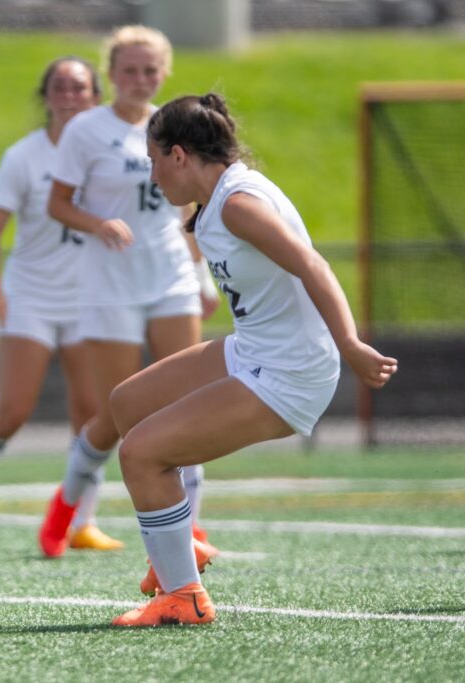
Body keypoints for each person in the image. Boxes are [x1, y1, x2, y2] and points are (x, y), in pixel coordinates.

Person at [105, 92, 397, 626]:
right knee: (128, 405)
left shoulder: (238, 204)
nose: (152, 176)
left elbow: (312, 265)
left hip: (290, 372)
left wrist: (351, 343)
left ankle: (184, 597)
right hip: (256, 350)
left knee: (141, 453)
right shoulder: (215, 200)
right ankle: (181, 545)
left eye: (152, 161)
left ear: (178, 155)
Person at [0, 56, 125, 552]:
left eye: (80, 87)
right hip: (31, 296)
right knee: (13, 409)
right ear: (47, 96)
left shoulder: (114, 151)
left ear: (97, 96)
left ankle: (81, 521)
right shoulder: (25, 157)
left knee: (94, 413)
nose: (70, 95)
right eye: (60, 86)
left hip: (91, 300)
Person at [36, 25, 220, 559]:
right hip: (108, 282)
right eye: (130, 70)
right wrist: (98, 224)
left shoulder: (175, 123)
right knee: (119, 412)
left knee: (192, 402)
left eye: (150, 70)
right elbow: (59, 204)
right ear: (111, 74)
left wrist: (201, 274)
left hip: (170, 278)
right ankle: (67, 510)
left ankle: (192, 527)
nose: (140, 80)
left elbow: (189, 205)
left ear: (164, 72)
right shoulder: (86, 129)